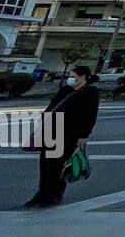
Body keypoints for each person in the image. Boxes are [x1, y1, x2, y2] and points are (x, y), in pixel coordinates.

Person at [23, 65, 100, 208]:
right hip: (52, 129)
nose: (71, 79)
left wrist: (84, 135)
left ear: (83, 77)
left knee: (57, 166)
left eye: (74, 77)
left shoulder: (90, 92)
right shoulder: (66, 90)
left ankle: (54, 194)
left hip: (70, 133)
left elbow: (90, 115)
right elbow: (52, 106)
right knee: (45, 164)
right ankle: (42, 193)